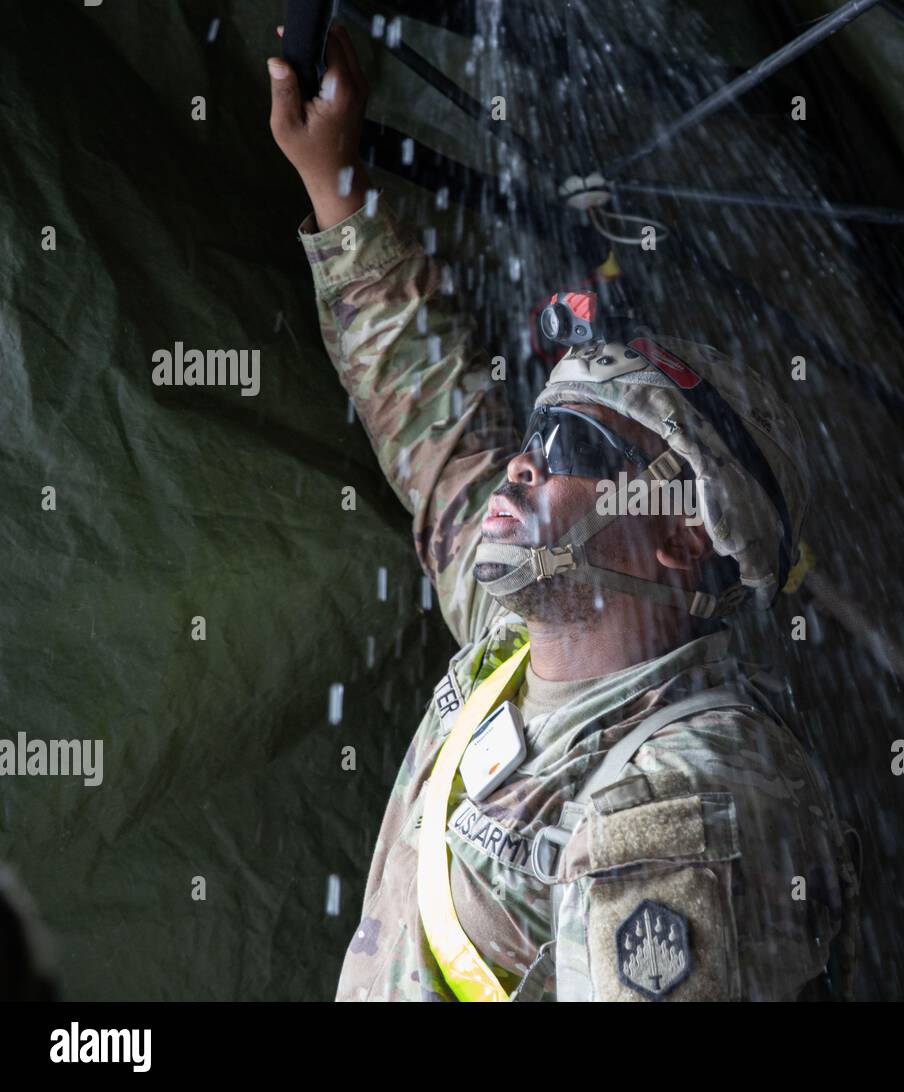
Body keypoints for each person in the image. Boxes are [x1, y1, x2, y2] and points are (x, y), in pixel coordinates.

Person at [268, 24, 858, 1002]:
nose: (515, 471)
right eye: (530, 443)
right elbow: (435, 419)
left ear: (678, 532)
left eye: (567, 453)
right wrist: (333, 184)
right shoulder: (508, 639)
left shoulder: (687, 799)